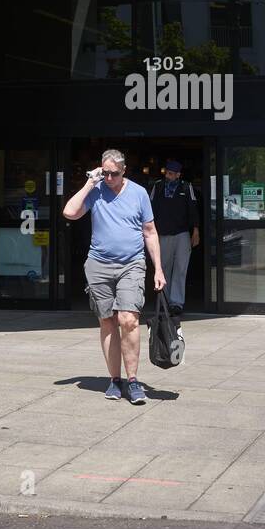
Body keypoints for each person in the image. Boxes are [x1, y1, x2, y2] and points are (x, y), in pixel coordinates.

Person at [62, 149, 165, 406]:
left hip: (132, 264)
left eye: (113, 174)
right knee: (107, 321)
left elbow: (150, 232)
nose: (108, 178)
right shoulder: (95, 190)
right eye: (104, 172)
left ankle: (133, 380)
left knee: (128, 319)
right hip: (98, 265)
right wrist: (89, 182)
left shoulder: (139, 193)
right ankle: (115, 379)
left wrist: (159, 269)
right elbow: (69, 212)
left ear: (124, 171)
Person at [149, 159, 199, 325]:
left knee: (180, 267)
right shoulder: (158, 186)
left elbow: (193, 208)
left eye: (172, 173)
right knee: (163, 268)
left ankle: (176, 303)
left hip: (182, 233)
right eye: (167, 173)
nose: (168, 176)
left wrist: (196, 230)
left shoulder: (186, 187)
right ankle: (165, 302)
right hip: (162, 233)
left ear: (178, 174)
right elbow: (149, 208)